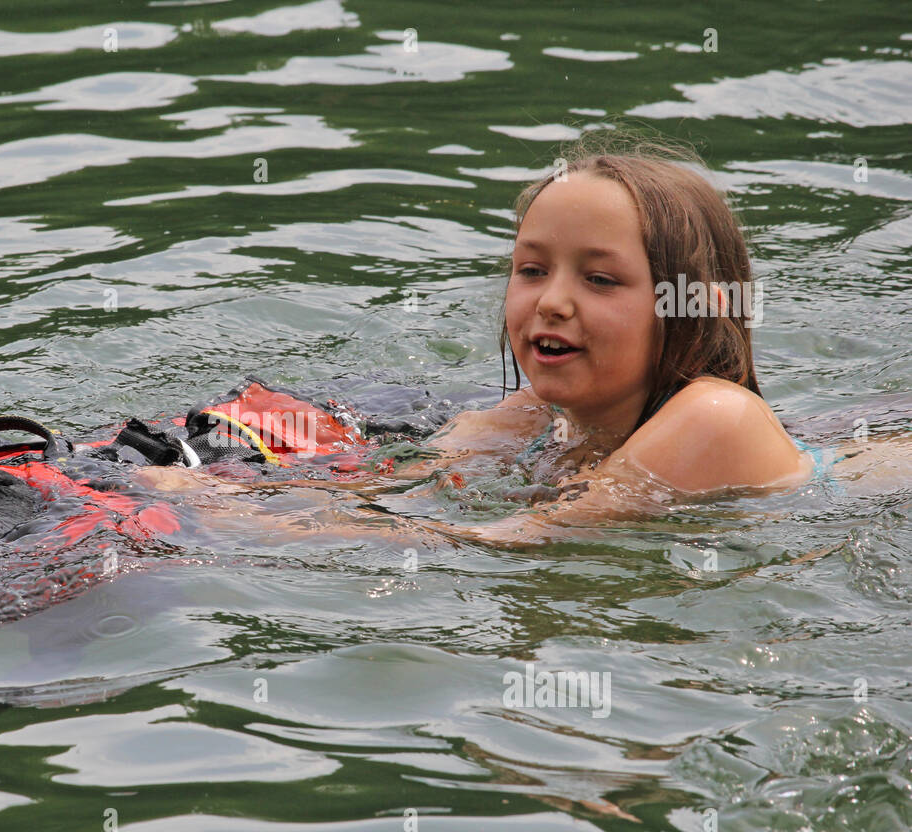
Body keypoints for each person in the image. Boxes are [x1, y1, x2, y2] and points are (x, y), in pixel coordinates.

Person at [137, 138, 885, 547]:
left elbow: (509, 538)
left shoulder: (717, 417)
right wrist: (206, 482)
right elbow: (409, 489)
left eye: (600, 280)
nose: (550, 301)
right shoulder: (536, 417)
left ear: (692, 309)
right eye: (532, 270)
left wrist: (245, 530)